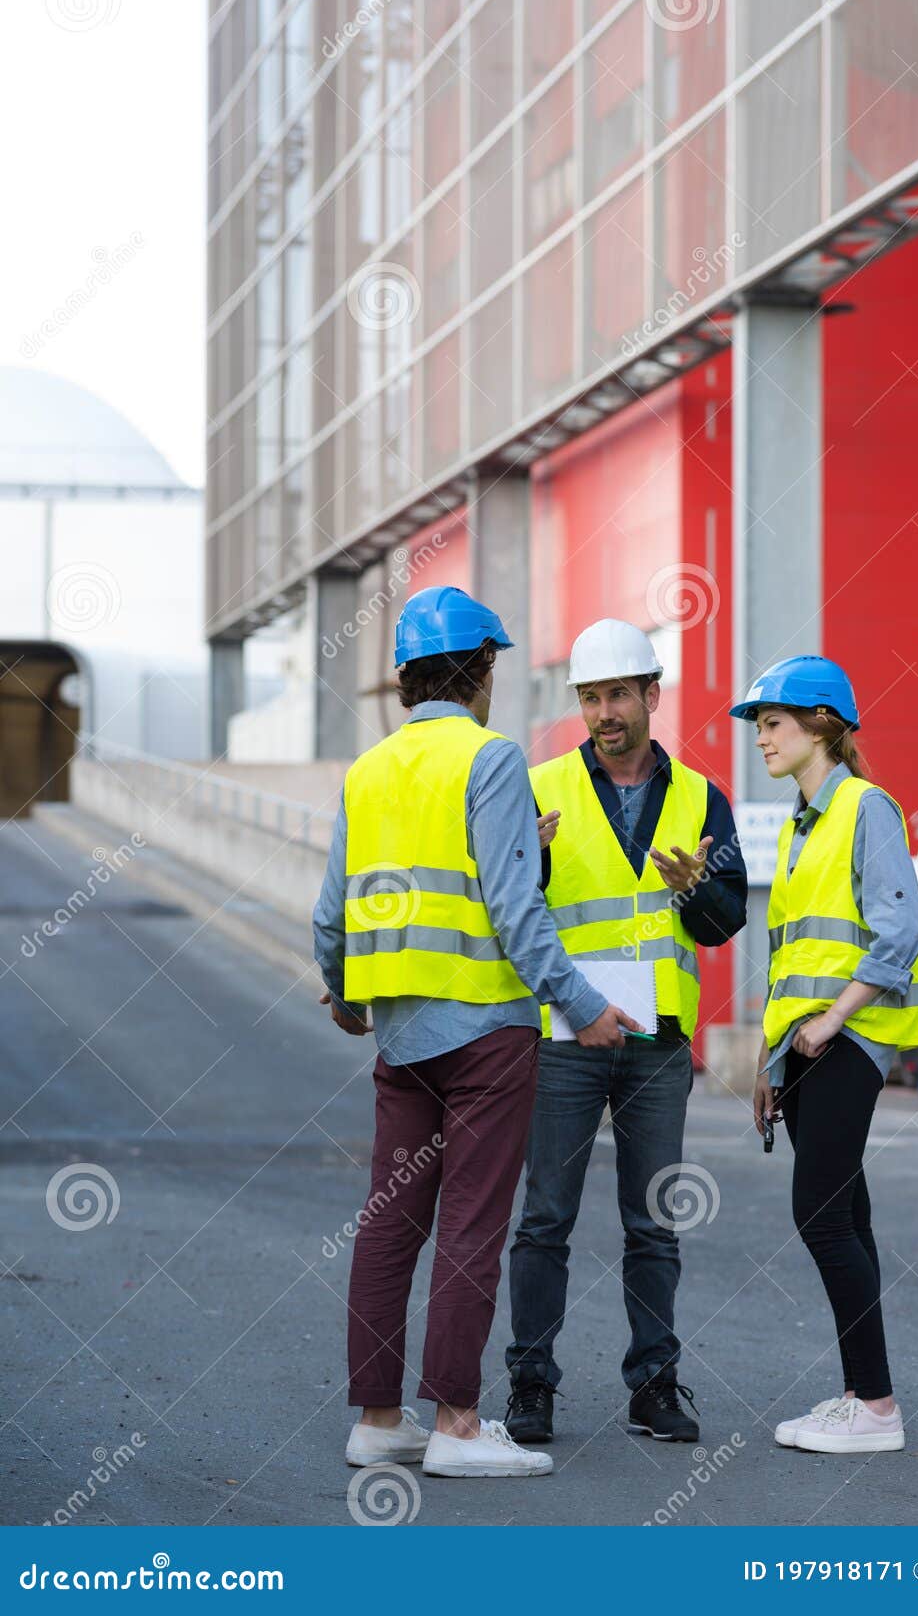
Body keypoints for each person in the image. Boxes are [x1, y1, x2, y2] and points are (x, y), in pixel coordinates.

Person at [313, 586, 641, 1480]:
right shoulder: (490, 759)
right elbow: (513, 910)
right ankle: (457, 1425)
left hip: (400, 1037)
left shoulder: (369, 769)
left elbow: (330, 911)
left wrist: (343, 992)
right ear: (483, 670)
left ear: (409, 679)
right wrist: (581, 1004)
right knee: (471, 1223)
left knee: (390, 1224)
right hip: (488, 1034)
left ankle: (381, 1420)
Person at [505, 619, 747, 1445]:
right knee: (545, 1218)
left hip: (656, 1041)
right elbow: (510, 913)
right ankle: (530, 1385)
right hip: (568, 1034)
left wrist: (697, 893)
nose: (603, 712)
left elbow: (722, 927)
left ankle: (654, 1385)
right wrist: (524, 865)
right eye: (589, 698)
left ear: (652, 694)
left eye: (617, 695)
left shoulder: (701, 797)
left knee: (653, 1221)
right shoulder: (536, 791)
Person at [730, 655, 918, 1454]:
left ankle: (876, 1407)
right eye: (758, 727)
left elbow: (901, 929)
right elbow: (788, 962)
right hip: (807, 1045)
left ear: (821, 724)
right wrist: (770, 1060)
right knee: (847, 1215)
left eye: (773, 723)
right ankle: (863, 1395)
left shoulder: (864, 807)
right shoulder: (801, 824)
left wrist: (832, 1020)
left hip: (849, 1036)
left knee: (819, 1213)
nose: (762, 739)